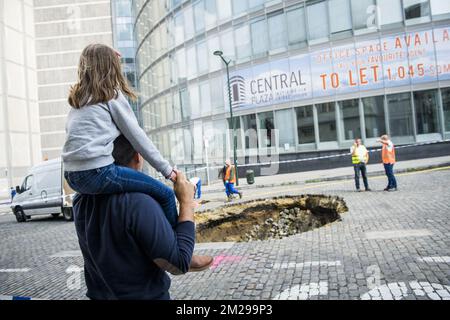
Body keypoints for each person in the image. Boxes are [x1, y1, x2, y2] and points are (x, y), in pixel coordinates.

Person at [73, 136, 213, 300]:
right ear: (138, 156)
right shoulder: (139, 202)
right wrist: (186, 202)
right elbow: (180, 263)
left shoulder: (81, 199)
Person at [62, 44, 179, 229]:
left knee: (90, 203)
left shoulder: (79, 100)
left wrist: (104, 53)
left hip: (71, 176)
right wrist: (167, 171)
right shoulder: (111, 96)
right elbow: (137, 137)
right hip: (97, 173)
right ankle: (178, 253)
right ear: (111, 67)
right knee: (165, 194)